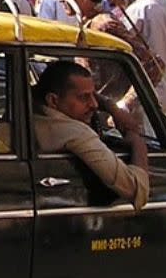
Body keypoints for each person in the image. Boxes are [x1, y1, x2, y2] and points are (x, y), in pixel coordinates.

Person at [32, 60, 150, 209]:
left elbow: (34, 90)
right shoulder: (74, 132)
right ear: (53, 100)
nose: (94, 104)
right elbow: (135, 188)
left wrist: (110, 106)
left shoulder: (31, 108)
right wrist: (138, 144)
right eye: (84, 97)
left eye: (93, 95)